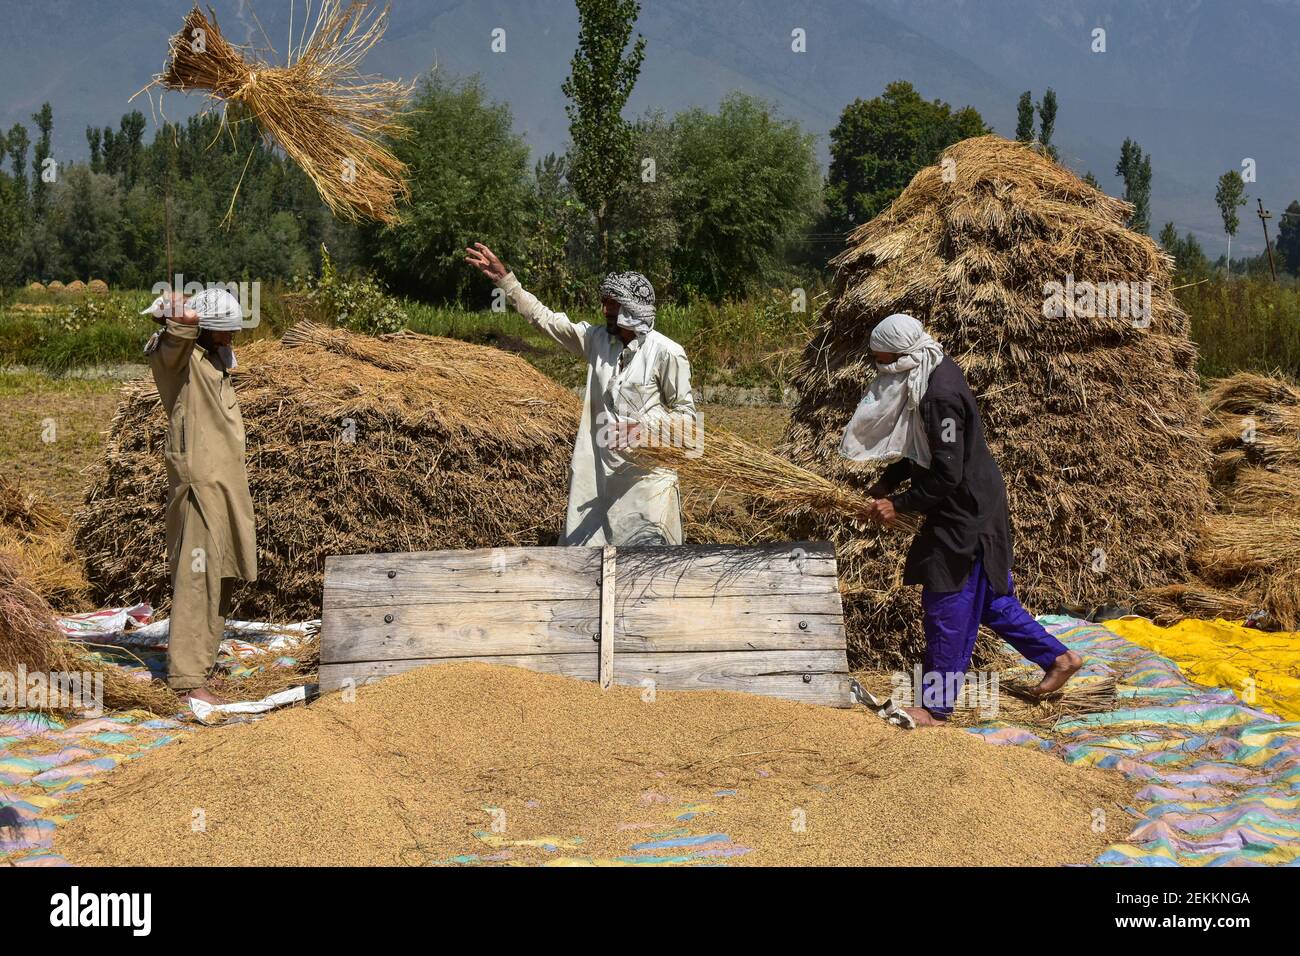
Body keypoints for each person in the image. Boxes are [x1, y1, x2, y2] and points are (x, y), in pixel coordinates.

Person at [841, 313, 1082, 727]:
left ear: (904, 355)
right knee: (991, 601)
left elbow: (947, 474)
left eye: (885, 362)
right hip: (972, 504)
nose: (881, 371)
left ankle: (934, 708)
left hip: (964, 515)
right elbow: (922, 451)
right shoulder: (930, 369)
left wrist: (898, 504)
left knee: (946, 604)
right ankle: (1059, 657)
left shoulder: (939, 396)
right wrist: (888, 481)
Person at [465, 243, 697, 545]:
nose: (604, 311)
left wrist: (642, 430)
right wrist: (506, 282)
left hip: (646, 487)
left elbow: (689, 424)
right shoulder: (597, 341)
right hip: (598, 481)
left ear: (632, 308)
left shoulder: (667, 353)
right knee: (589, 568)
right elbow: (546, 320)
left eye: (612, 304)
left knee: (642, 568)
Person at [140, 288, 257, 704]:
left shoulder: (215, 360)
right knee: (197, 578)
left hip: (224, 488)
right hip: (200, 488)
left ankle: (202, 661)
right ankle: (188, 679)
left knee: (218, 575)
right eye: (223, 332)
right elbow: (174, 337)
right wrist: (180, 315)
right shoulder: (181, 363)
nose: (231, 340)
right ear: (203, 331)